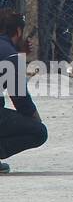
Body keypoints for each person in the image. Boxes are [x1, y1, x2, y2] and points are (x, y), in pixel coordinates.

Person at [0, 11, 48, 174]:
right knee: (39, 132)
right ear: (18, 32)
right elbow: (21, 100)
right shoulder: (11, 55)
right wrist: (36, 121)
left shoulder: (9, 53)